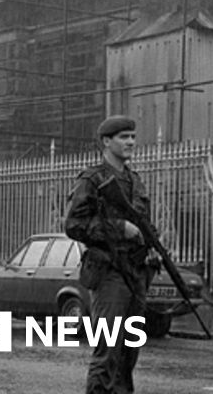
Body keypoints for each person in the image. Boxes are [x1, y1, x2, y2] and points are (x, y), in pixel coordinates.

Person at [66, 115, 156, 394]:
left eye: (132, 136)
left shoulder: (135, 181)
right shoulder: (92, 179)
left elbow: (144, 225)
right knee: (108, 351)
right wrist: (119, 228)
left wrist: (151, 248)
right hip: (108, 274)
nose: (131, 142)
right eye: (123, 137)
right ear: (106, 141)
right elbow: (74, 225)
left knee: (129, 352)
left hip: (135, 272)